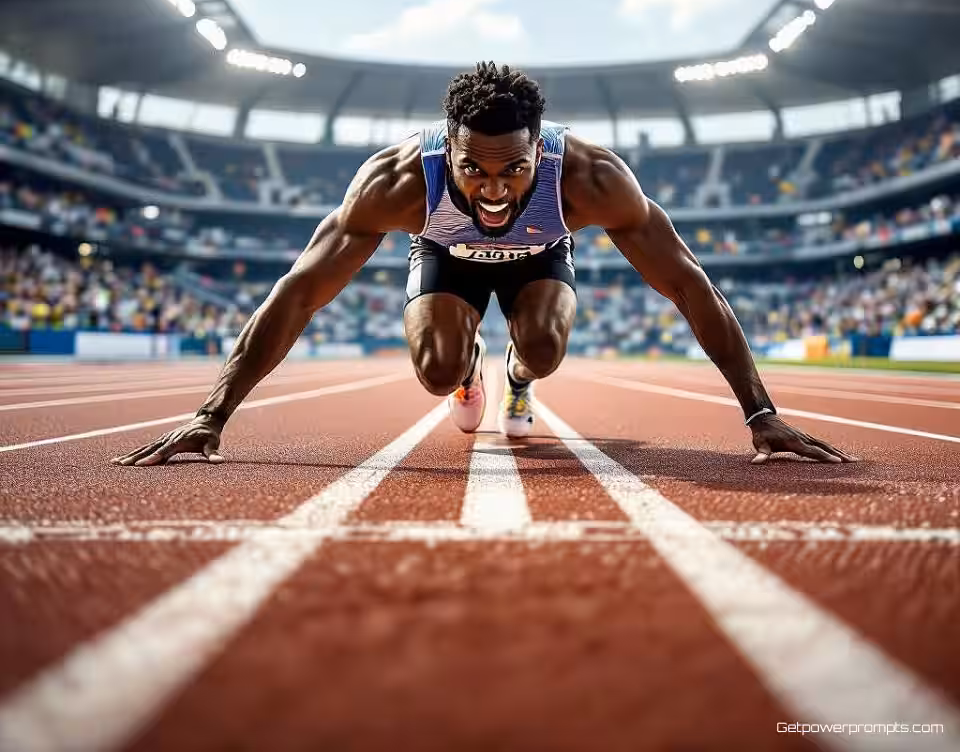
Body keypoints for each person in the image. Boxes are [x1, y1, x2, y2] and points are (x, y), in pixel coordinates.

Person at [114, 62, 857, 468]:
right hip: (444, 257)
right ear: (448, 147)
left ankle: (515, 378)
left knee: (543, 349)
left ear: (542, 149)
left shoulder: (592, 179)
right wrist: (213, 415)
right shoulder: (396, 182)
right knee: (436, 371)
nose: (495, 190)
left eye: (515, 171)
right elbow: (301, 293)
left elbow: (688, 286)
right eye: (475, 171)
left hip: (541, 258)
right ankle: (469, 368)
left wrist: (759, 411)